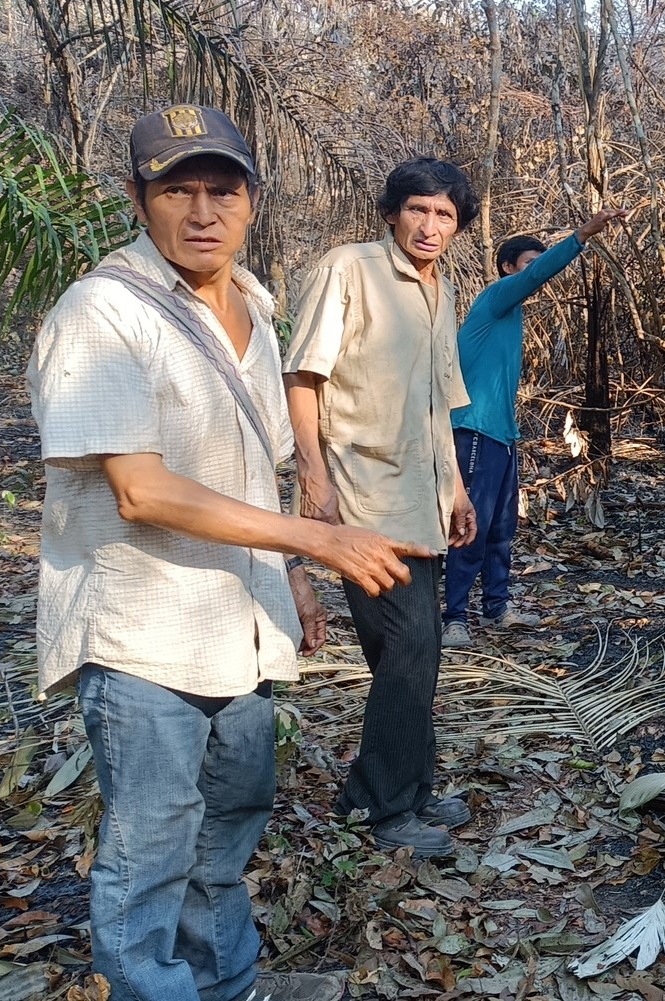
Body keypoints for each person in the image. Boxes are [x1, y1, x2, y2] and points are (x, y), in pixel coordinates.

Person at [28, 104, 430, 1001]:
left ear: (251, 200)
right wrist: (318, 537)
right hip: (142, 632)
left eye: (223, 189)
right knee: (152, 843)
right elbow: (144, 489)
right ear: (139, 200)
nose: (203, 211)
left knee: (231, 820)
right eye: (178, 189)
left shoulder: (254, 302)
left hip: (239, 626)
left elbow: (255, 467)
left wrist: (289, 577)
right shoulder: (102, 312)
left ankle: (228, 983)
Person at [284, 158, 481, 859]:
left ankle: (405, 786)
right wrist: (314, 478)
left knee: (412, 651)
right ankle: (383, 806)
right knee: (408, 648)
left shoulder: (442, 289)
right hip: (361, 493)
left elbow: (438, 400)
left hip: (421, 494)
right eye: (419, 210)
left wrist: (455, 487)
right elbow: (303, 374)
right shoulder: (349, 269)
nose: (430, 226)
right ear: (393, 212)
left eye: (445, 216)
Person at [442, 207, 628, 648]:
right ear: (508, 267)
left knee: (502, 525)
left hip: (502, 435)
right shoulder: (495, 297)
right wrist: (581, 235)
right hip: (473, 430)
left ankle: (497, 607)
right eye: (526, 264)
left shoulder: (510, 315)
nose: (534, 276)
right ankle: (455, 618)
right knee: (472, 522)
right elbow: (536, 275)